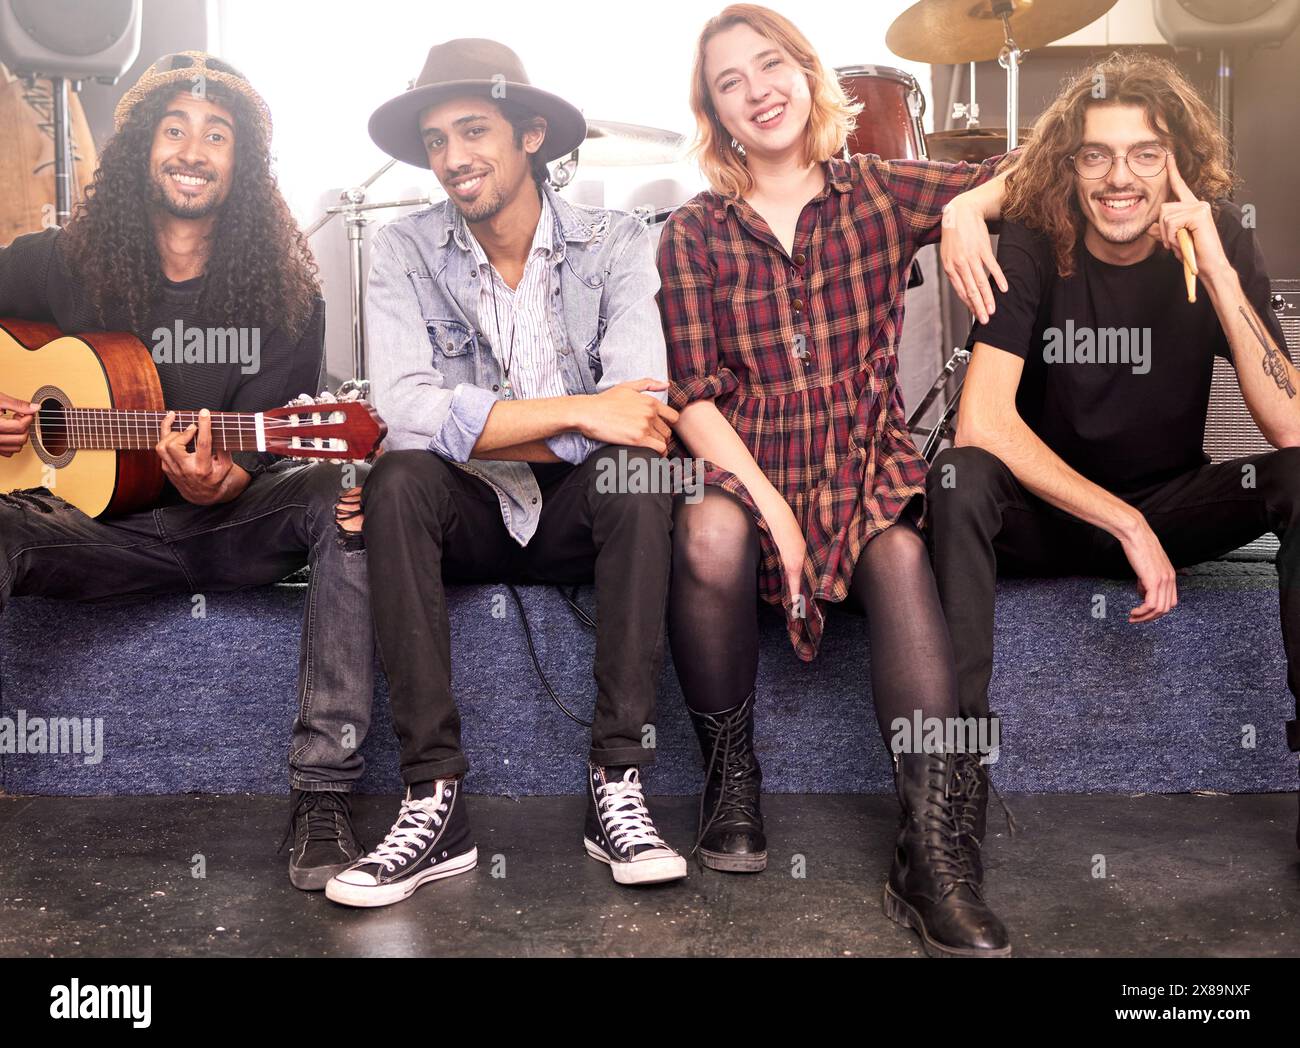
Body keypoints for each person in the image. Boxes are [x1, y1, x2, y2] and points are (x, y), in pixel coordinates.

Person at [657, 4, 1017, 956]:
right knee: (708, 532)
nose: (756, 91)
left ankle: (932, 853)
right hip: (746, 459)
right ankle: (731, 778)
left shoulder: (880, 191)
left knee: (899, 554)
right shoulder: (691, 231)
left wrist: (972, 203)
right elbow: (692, 399)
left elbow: (1037, 168)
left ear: (808, 75)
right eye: (729, 83)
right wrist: (768, 504)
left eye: (769, 65)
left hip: (858, 453)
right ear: (716, 113)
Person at [0, 52, 375, 890]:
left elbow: (256, 457)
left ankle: (323, 797)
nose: (192, 149)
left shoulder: (287, 296)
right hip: (91, 534)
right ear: (142, 148)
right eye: (174, 129)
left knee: (345, 489)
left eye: (216, 134)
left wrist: (225, 478)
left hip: (225, 532)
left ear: (243, 163)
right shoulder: (62, 261)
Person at [326, 39, 686, 908]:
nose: (453, 158)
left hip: (578, 517)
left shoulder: (619, 244)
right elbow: (405, 411)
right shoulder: (404, 249)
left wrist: (510, 427)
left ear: (530, 134)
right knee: (400, 479)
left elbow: (637, 411)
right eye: (437, 139)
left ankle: (619, 786)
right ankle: (432, 801)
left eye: (474, 131)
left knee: (637, 477)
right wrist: (574, 412)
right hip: (472, 515)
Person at [927, 53, 1300, 849]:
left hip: (1171, 506)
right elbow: (982, 424)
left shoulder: (1219, 233)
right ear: (1070, 166)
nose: (1118, 177)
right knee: (957, 476)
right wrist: (1124, 523)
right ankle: (956, 778)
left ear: (1179, 168)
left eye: (1146, 154)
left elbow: (1290, 428)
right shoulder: (1033, 237)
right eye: (1096, 154)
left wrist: (1221, 268)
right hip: (1043, 512)